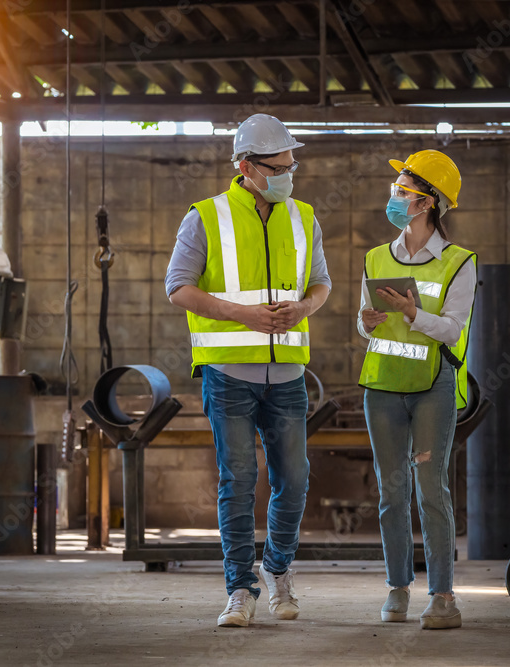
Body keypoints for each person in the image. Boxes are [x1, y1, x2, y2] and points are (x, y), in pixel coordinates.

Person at [165, 114, 331, 628]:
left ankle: (278, 570)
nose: (288, 173)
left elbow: (321, 285)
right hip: (228, 374)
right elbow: (178, 287)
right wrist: (243, 315)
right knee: (238, 479)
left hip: (287, 377)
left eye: (291, 164)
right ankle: (240, 588)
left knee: (295, 480)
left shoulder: (304, 217)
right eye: (278, 166)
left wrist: (306, 308)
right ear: (246, 166)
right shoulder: (205, 216)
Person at [356, 149, 477, 630]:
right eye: (396, 189)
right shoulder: (375, 257)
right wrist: (366, 323)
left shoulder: (459, 262)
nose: (394, 196)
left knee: (431, 489)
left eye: (402, 191)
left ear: (427, 202)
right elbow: (366, 328)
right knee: (391, 491)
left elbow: (453, 330)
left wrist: (411, 313)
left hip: (432, 386)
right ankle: (397, 588)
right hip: (382, 383)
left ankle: (444, 597)